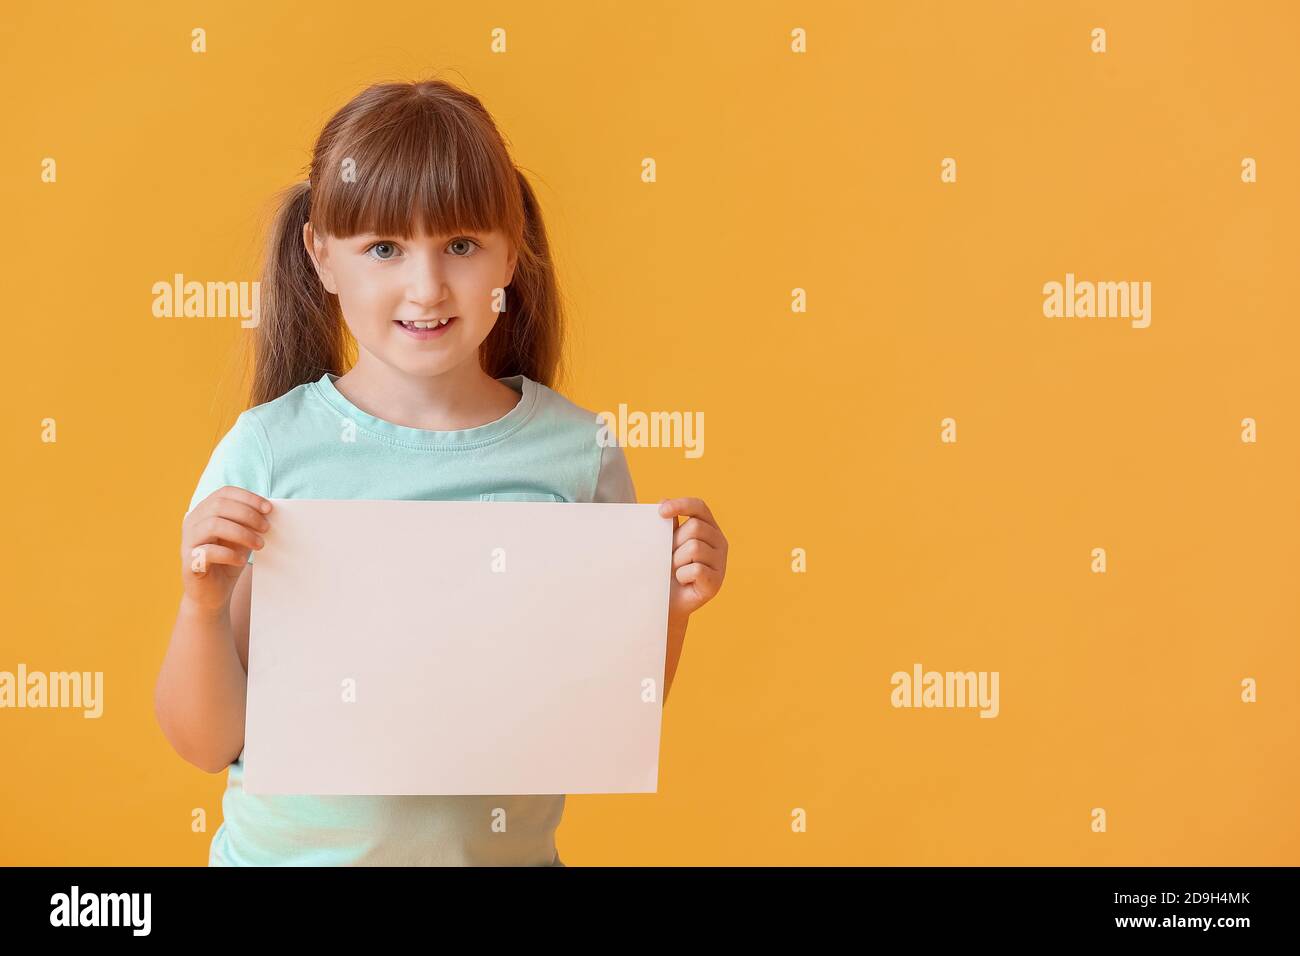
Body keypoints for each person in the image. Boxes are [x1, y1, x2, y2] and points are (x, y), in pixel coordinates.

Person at [152, 78, 729, 866]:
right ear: (321, 256)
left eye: (460, 245)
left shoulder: (578, 453)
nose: (426, 288)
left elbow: (593, 722)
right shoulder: (270, 451)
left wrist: (671, 605)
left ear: (511, 248)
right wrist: (201, 605)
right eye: (383, 248)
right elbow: (207, 742)